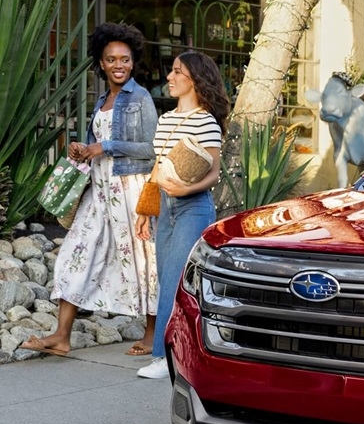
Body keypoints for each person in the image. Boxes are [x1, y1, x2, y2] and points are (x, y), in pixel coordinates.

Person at [20, 23, 159, 357]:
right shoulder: (102, 100)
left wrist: (104, 147)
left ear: (133, 62)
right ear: (101, 63)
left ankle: (152, 335)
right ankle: (61, 336)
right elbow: (97, 144)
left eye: (124, 59)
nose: (118, 65)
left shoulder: (140, 97)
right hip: (98, 193)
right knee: (75, 254)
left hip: (129, 191)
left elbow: (151, 148)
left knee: (143, 260)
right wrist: (82, 148)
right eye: (111, 59)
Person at [135, 51, 229, 379]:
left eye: (177, 72)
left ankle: (163, 358)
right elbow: (158, 166)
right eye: (172, 71)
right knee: (168, 281)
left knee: (175, 279)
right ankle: (192, 351)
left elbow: (213, 174)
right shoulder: (165, 119)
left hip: (194, 207)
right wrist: (145, 209)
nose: (170, 77)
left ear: (195, 78)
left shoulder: (206, 121)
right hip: (165, 206)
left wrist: (186, 189)